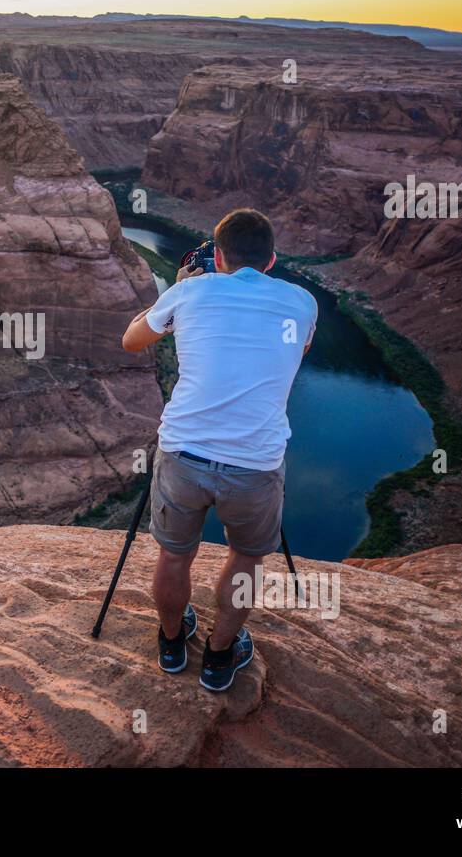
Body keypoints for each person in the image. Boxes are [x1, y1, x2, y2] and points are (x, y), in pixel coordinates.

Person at [120, 209, 317, 692]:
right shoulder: (303, 301)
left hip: (183, 453)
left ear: (219, 255)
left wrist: (179, 286)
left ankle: (170, 644)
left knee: (172, 556)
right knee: (246, 560)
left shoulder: (189, 291)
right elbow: (296, 353)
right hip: (255, 464)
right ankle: (219, 656)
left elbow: (131, 340)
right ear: (270, 260)